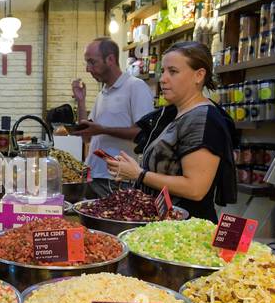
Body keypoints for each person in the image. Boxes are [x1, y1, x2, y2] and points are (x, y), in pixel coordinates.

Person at [103, 41, 237, 222]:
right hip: (165, 226)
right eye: (163, 71)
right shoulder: (178, 113)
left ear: (199, 75)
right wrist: (130, 171)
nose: (163, 79)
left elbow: (195, 188)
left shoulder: (202, 119)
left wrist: (139, 174)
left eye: (173, 72)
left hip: (185, 231)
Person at [71, 37, 153, 198]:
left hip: (118, 181)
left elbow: (143, 134)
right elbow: (87, 137)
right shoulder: (103, 93)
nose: (88, 69)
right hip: (94, 175)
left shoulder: (135, 87)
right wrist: (81, 101)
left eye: (92, 62)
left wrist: (103, 130)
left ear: (110, 59)